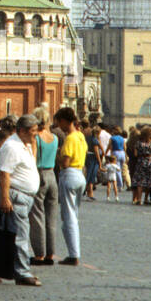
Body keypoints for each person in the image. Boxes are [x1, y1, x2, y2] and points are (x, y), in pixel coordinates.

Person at [0, 114, 41, 286]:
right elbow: (4, 173)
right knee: (20, 234)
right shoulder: (12, 147)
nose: (35, 135)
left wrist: (33, 143)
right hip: (15, 196)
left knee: (6, 235)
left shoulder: (24, 144)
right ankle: (22, 272)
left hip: (24, 196)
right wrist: (5, 198)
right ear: (22, 131)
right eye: (33, 132)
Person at [55, 106, 87, 266]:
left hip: (69, 175)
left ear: (64, 121)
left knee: (68, 217)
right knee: (74, 214)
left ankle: (73, 254)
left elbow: (65, 162)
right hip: (80, 174)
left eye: (59, 122)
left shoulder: (70, 138)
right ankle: (74, 252)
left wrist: (58, 155)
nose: (58, 126)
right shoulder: (81, 136)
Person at [30, 116, 59, 267]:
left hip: (40, 174)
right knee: (51, 218)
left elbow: (33, 159)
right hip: (52, 175)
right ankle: (50, 254)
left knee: (37, 216)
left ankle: (39, 254)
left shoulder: (36, 139)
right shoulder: (54, 138)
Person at [131, 127, 151, 206]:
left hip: (141, 161)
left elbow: (135, 154)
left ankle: (139, 199)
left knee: (140, 182)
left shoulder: (138, 143)